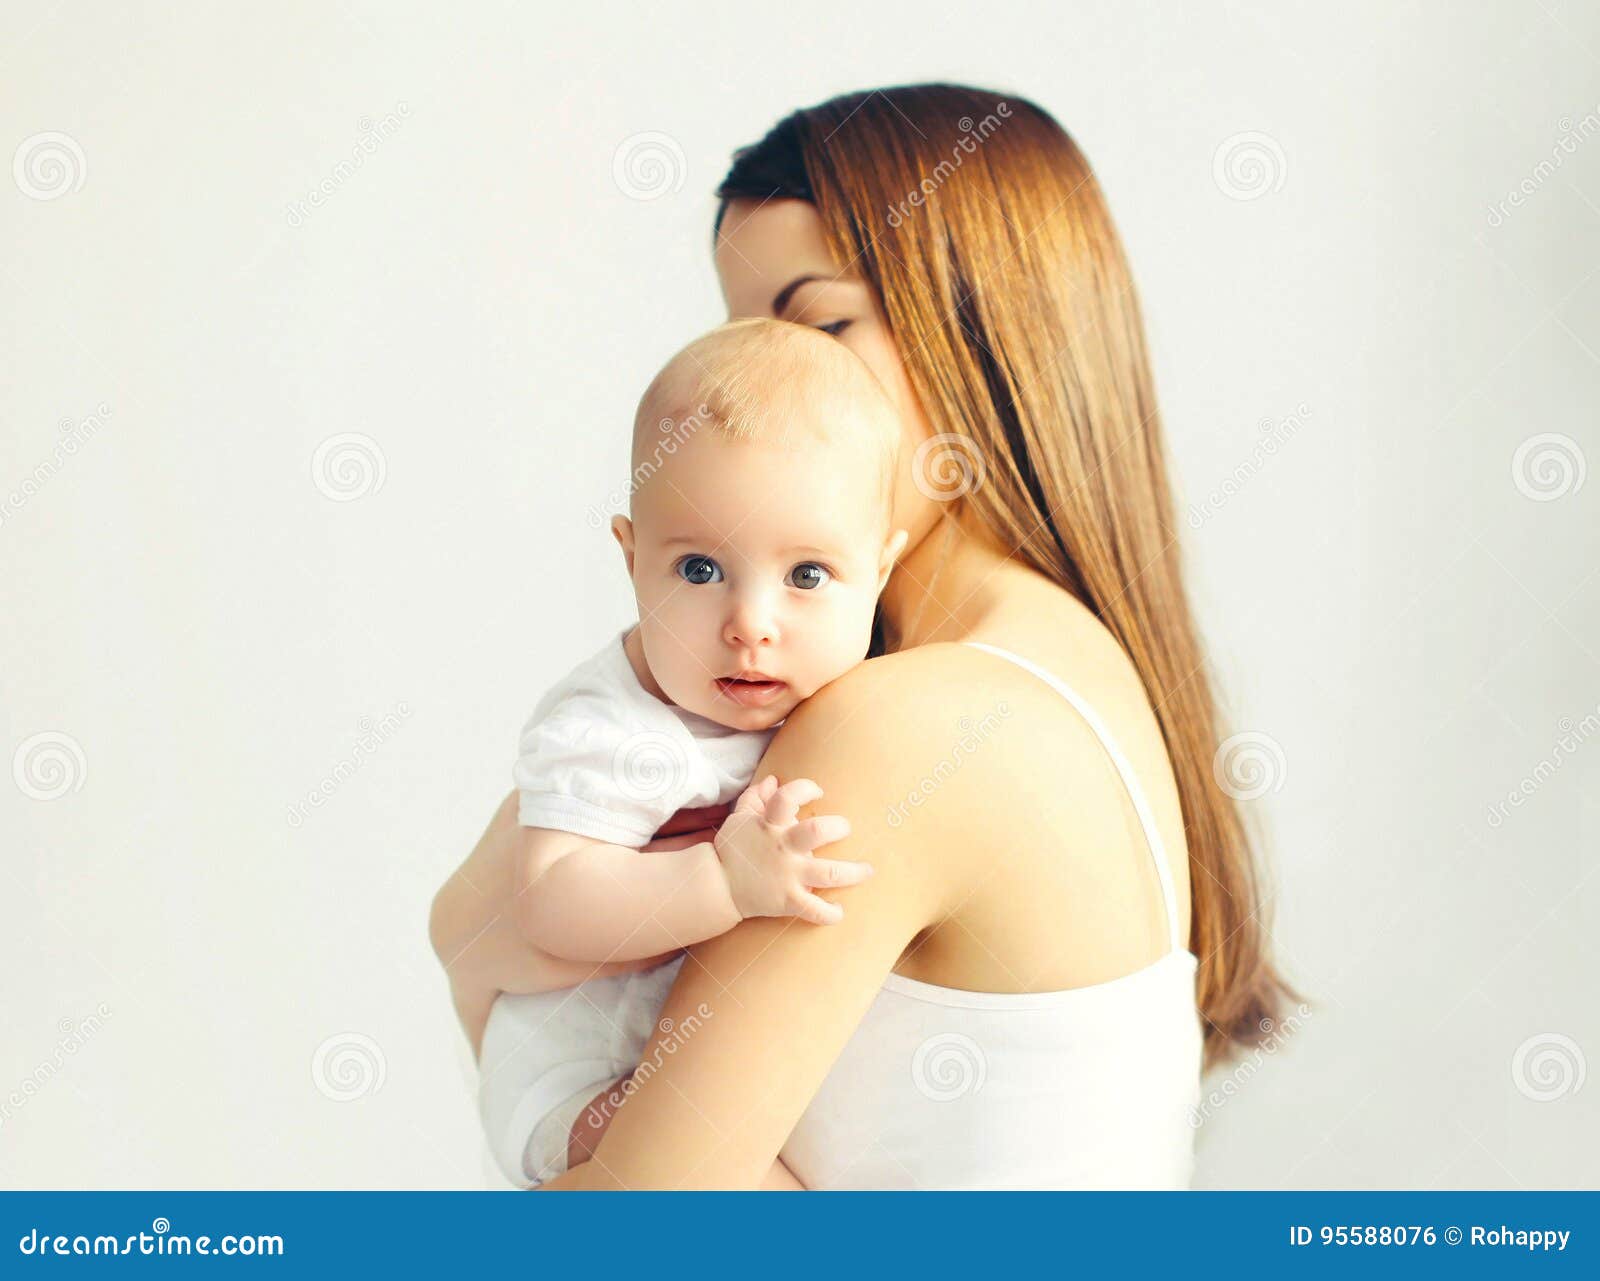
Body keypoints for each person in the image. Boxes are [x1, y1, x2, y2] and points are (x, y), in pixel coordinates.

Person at [430, 82, 1297, 1190]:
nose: (778, 387)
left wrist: (475, 936)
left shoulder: (907, 724)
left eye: (822, 323)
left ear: (987, 321)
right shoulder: (1069, 672)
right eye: (746, 335)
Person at [475, 318, 903, 1187]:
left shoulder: (856, 699)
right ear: (632, 561)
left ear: (882, 573)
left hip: (681, 1060)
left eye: (808, 575)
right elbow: (551, 902)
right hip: (574, 1085)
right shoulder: (605, 726)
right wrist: (720, 882)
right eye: (700, 569)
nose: (751, 623)